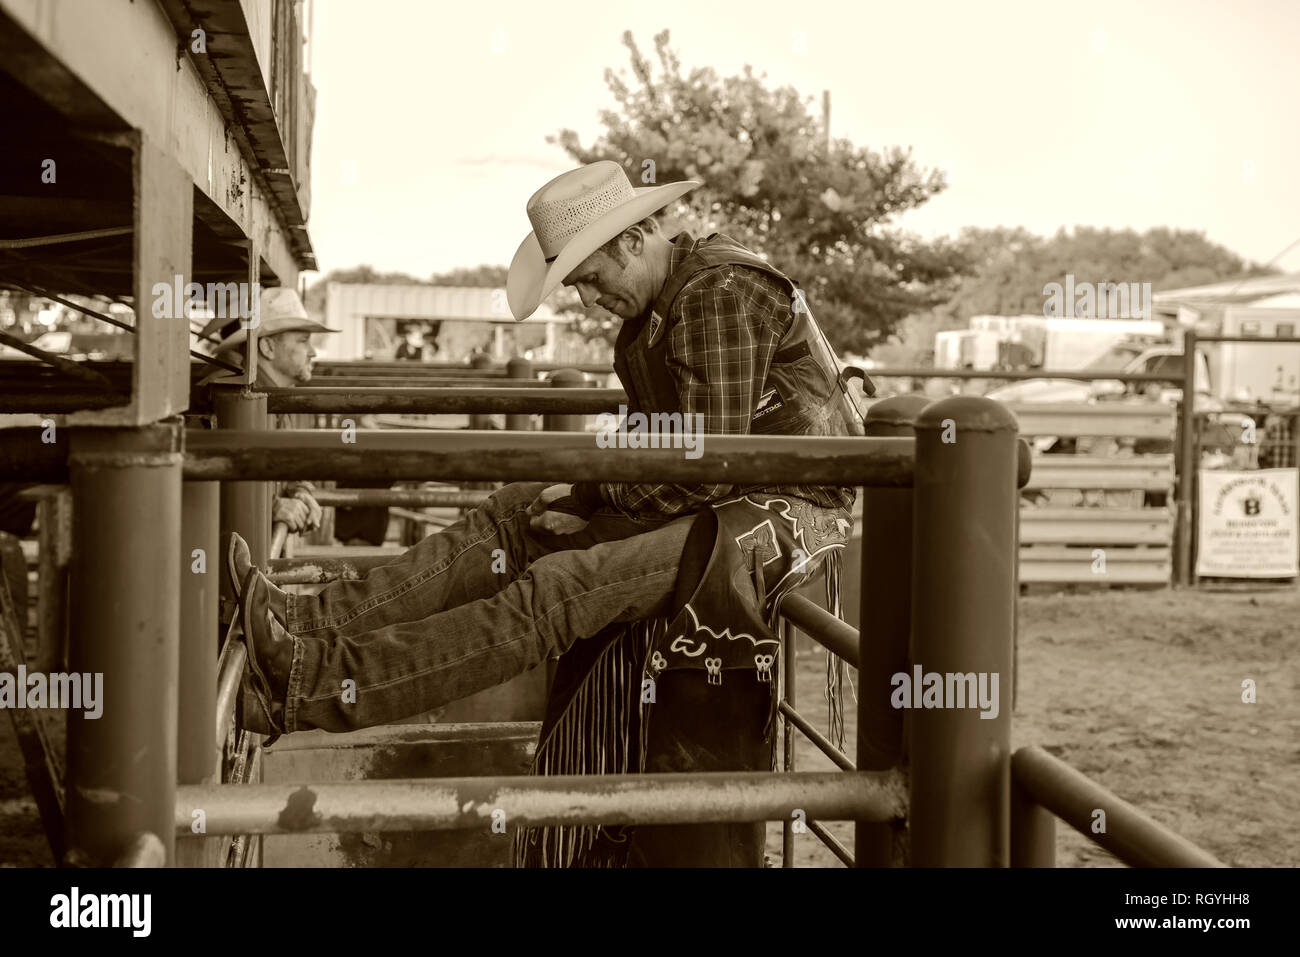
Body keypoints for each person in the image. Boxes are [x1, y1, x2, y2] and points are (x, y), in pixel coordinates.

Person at [229, 160, 863, 866]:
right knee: (513, 511)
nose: (591, 302)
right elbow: (675, 447)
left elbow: (704, 457)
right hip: (727, 494)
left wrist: (597, 504)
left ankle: (308, 684)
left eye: (592, 278)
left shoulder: (718, 293)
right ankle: (307, 623)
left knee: (561, 586)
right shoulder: (661, 310)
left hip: (785, 508)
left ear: (636, 239)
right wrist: (587, 494)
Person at [200, 287, 339, 536]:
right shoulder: (223, 396)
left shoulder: (272, 394)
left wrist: (300, 490)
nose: (313, 352)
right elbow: (204, 479)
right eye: (303, 341)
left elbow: (287, 461)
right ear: (267, 348)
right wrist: (273, 507)